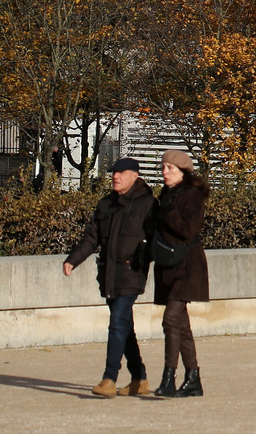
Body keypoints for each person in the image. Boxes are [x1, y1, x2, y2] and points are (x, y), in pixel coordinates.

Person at [63, 157, 154, 398]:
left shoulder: (148, 204)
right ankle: (139, 379)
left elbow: (156, 240)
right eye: (114, 172)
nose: (115, 176)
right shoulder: (106, 204)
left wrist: (142, 257)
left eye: (121, 173)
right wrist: (73, 259)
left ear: (135, 175)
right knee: (124, 327)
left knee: (116, 324)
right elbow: (92, 237)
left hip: (131, 275)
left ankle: (109, 378)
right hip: (109, 275)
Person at [152, 149, 210, 398]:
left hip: (187, 266)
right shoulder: (167, 193)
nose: (164, 172)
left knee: (171, 319)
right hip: (168, 265)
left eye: (170, 168)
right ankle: (193, 377)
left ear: (183, 172)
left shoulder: (192, 195)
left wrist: (166, 210)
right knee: (181, 325)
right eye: (163, 167)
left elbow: (188, 229)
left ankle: (168, 377)